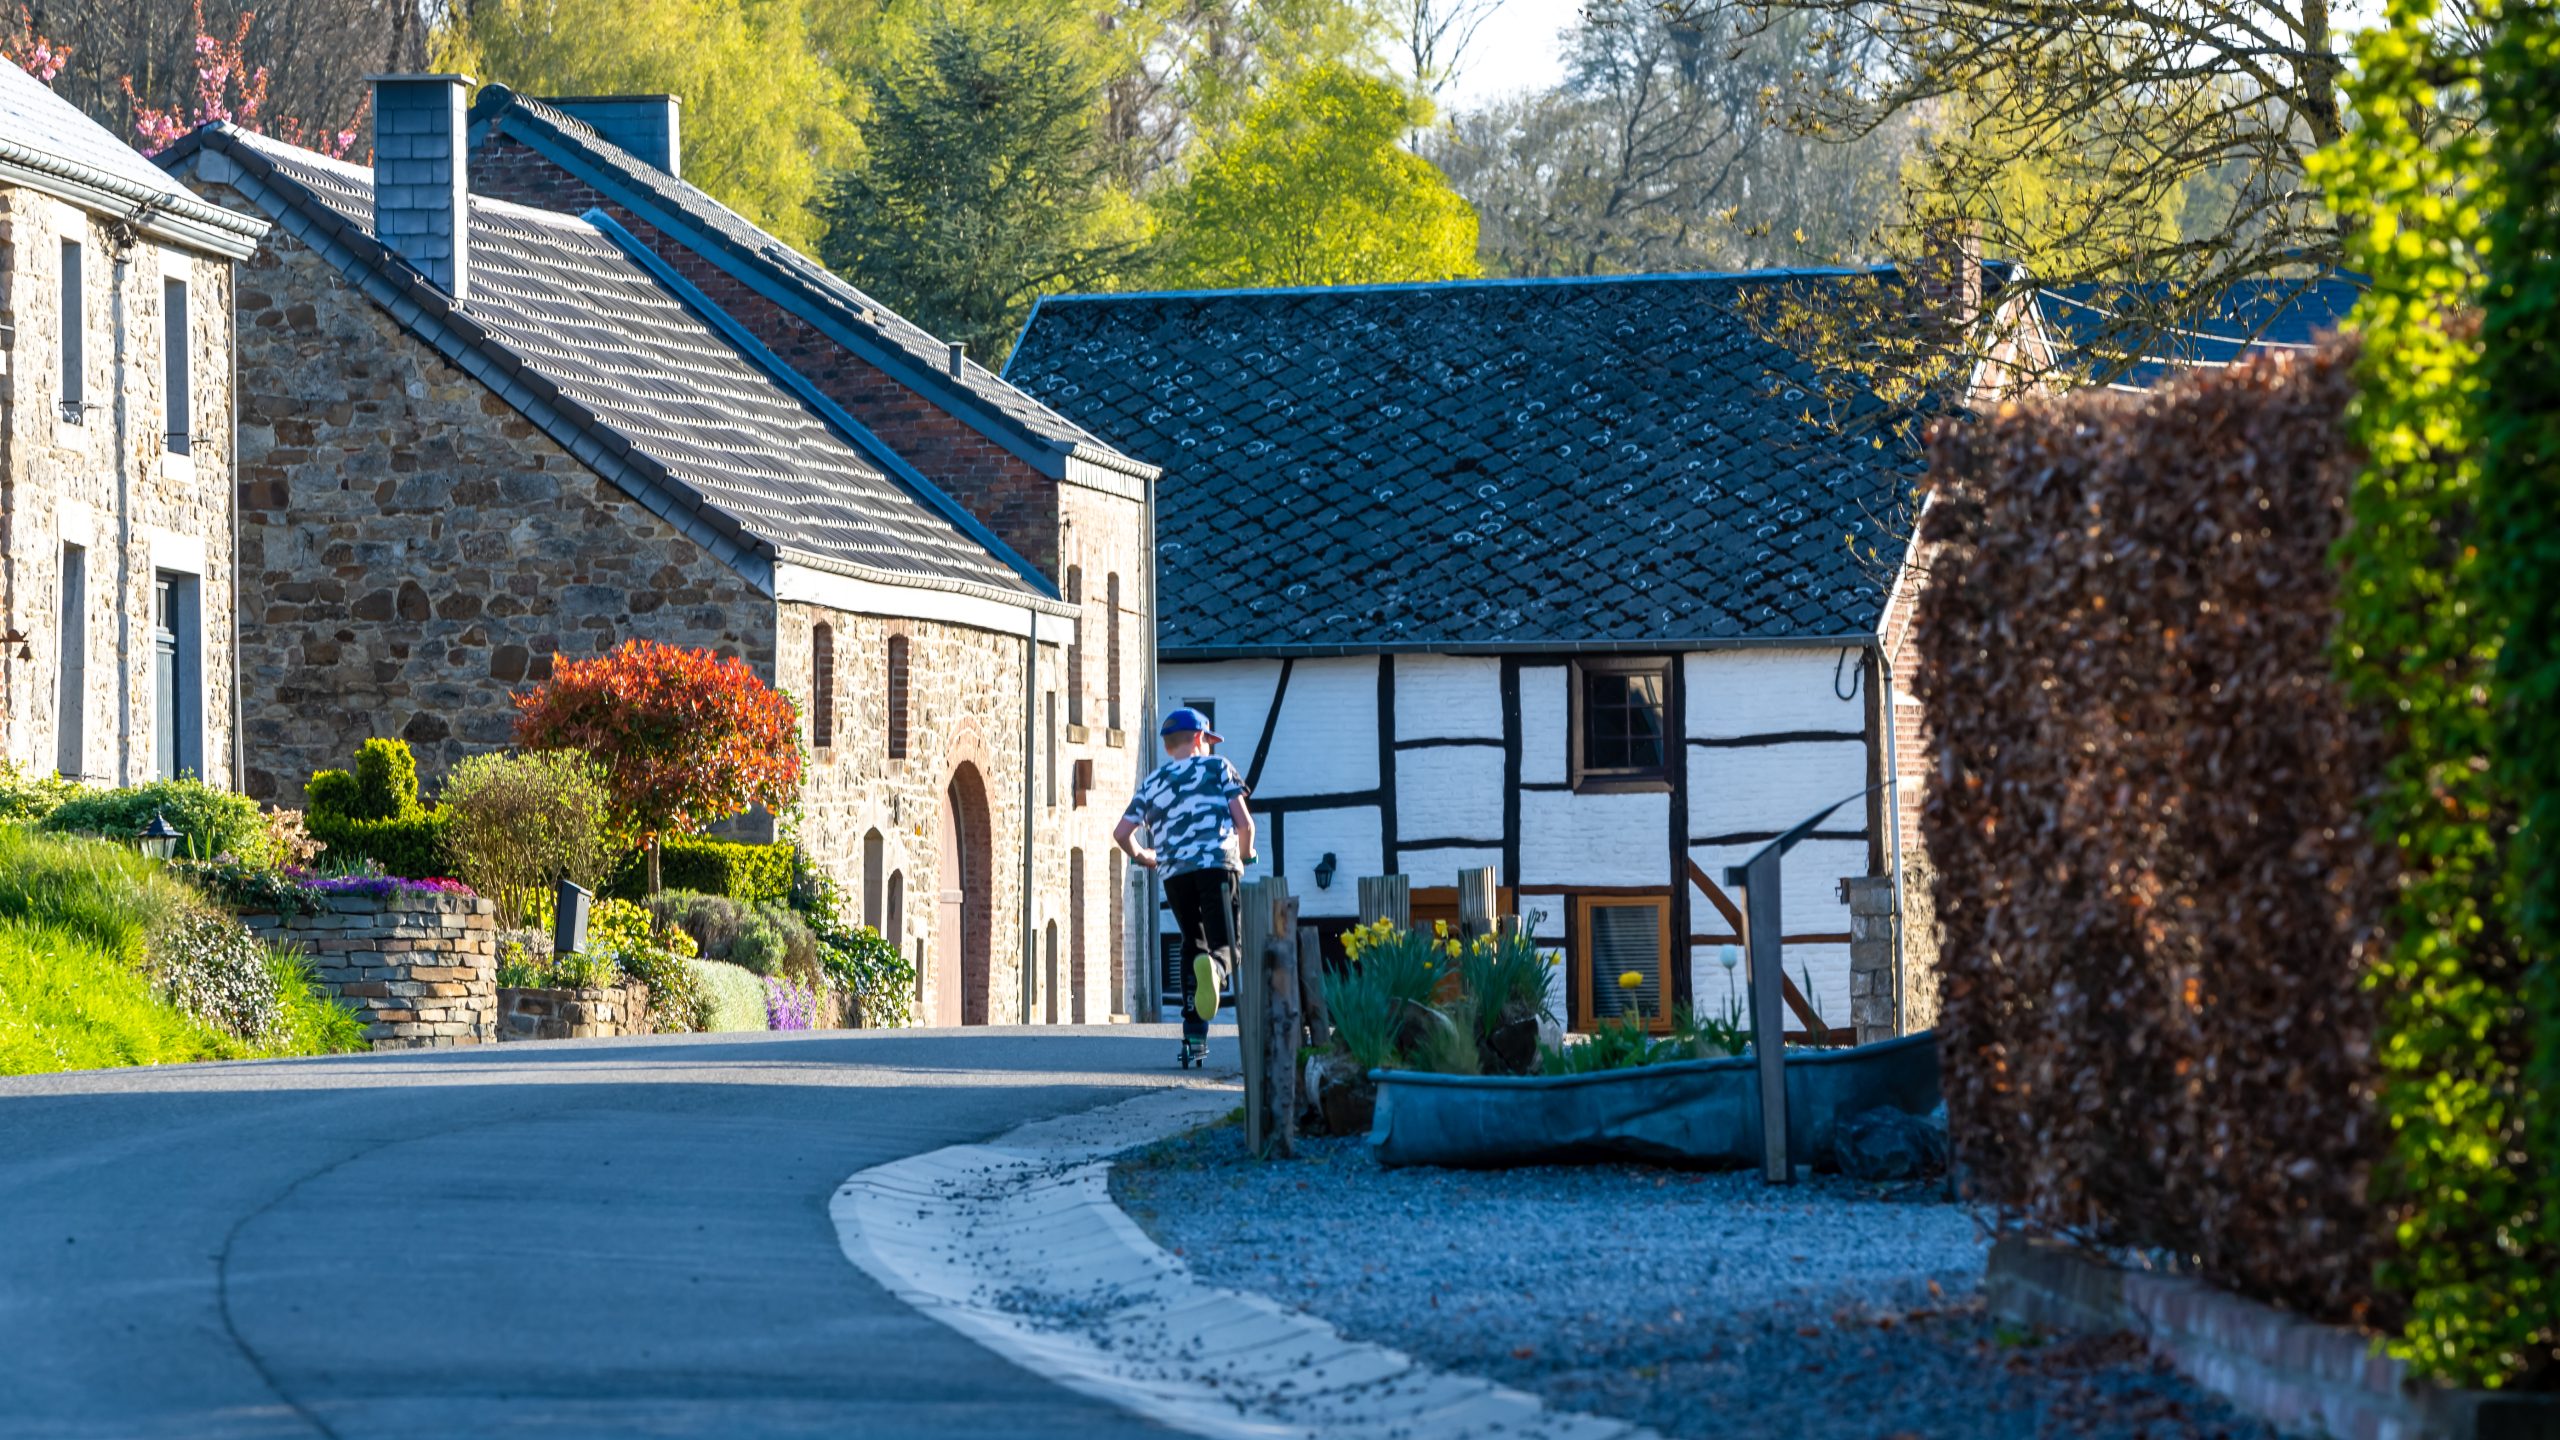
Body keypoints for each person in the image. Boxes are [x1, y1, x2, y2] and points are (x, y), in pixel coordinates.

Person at [1113, 707, 1256, 1066]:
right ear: (1198, 739)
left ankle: (1193, 1033)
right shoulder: (1218, 767)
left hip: (1174, 872)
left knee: (1192, 941)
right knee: (1229, 946)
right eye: (1208, 740)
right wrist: (1246, 853)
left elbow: (1121, 833)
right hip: (1216, 866)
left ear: (1166, 746)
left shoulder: (1152, 782)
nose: (1210, 747)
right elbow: (1245, 824)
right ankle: (1219, 970)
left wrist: (1146, 855)